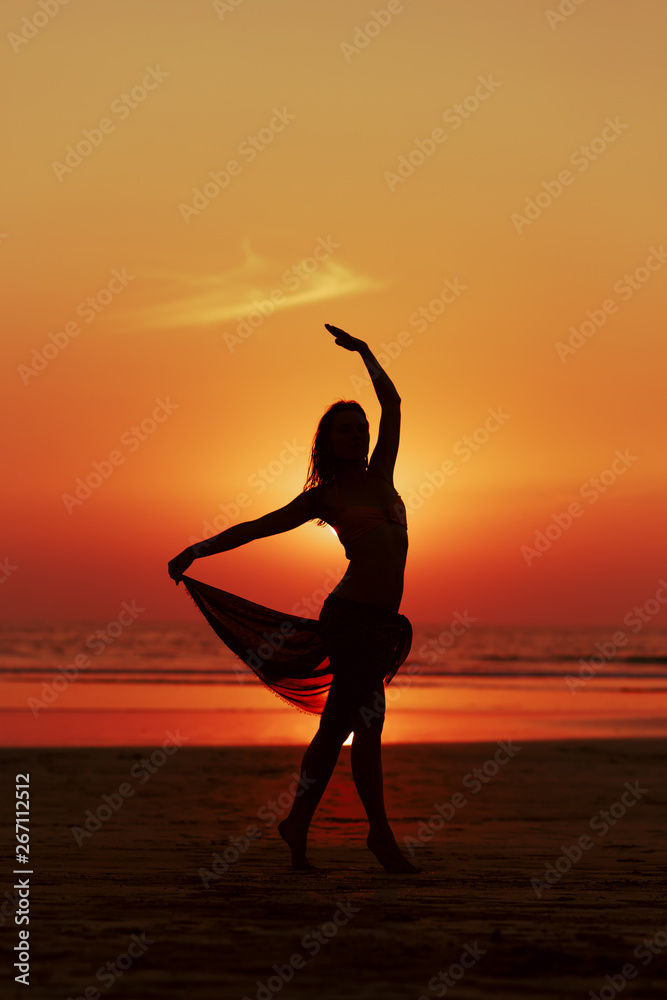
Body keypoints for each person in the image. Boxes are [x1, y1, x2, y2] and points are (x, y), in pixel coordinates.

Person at [168, 324, 418, 873]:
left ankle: (298, 823)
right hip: (350, 619)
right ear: (327, 442)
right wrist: (197, 549)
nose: (356, 435)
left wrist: (367, 351)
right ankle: (378, 835)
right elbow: (258, 527)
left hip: (383, 623)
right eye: (345, 430)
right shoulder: (324, 497)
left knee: (337, 730)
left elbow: (393, 401)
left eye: (361, 428)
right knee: (368, 723)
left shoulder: (384, 475)